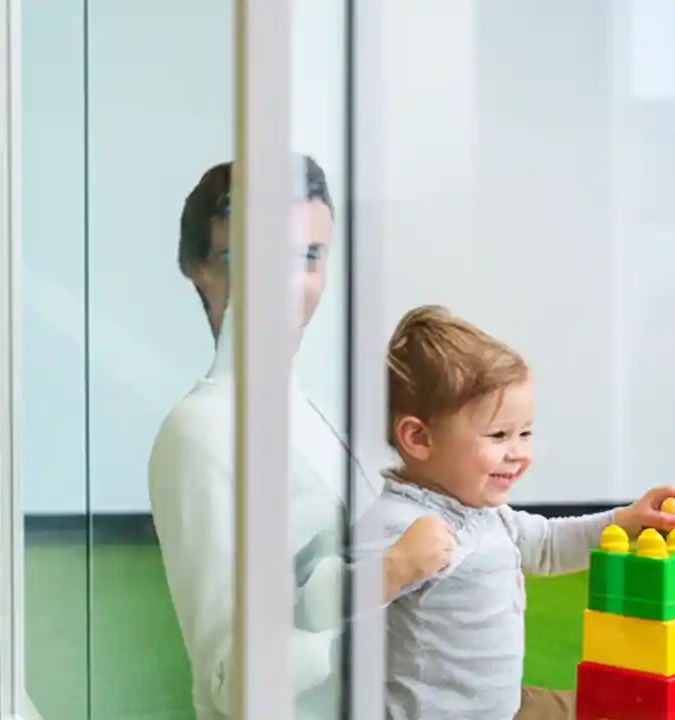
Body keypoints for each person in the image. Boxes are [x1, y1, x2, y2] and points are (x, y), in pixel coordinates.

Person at [148, 159, 455, 719]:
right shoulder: (198, 436)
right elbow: (231, 680)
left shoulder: (305, 411)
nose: (291, 281)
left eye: (309, 257)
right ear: (199, 268)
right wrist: (387, 579)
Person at [357, 305, 675, 719]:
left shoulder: (484, 513)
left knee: (618, 709)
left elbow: (548, 544)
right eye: (499, 435)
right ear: (419, 438)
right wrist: (394, 567)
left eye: (525, 433)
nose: (518, 454)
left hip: (502, 708)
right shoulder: (400, 522)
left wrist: (624, 522)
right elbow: (321, 608)